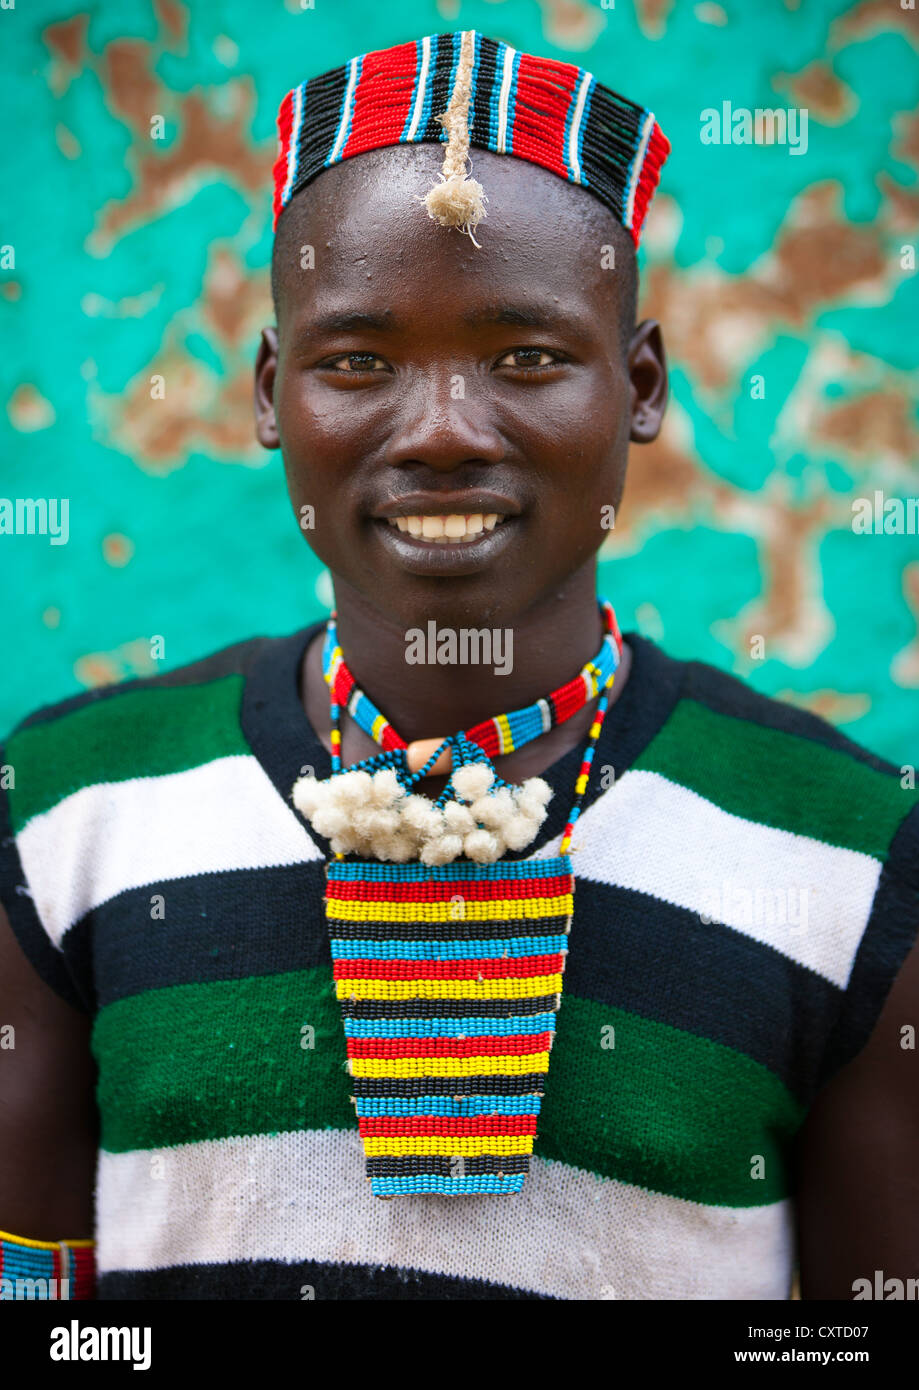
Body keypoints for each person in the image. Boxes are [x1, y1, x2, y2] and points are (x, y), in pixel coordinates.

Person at [1, 29, 916, 1302]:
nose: (440, 432)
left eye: (526, 357)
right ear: (271, 392)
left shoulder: (844, 857)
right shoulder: (70, 813)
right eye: (357, 362)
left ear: (639, 385)